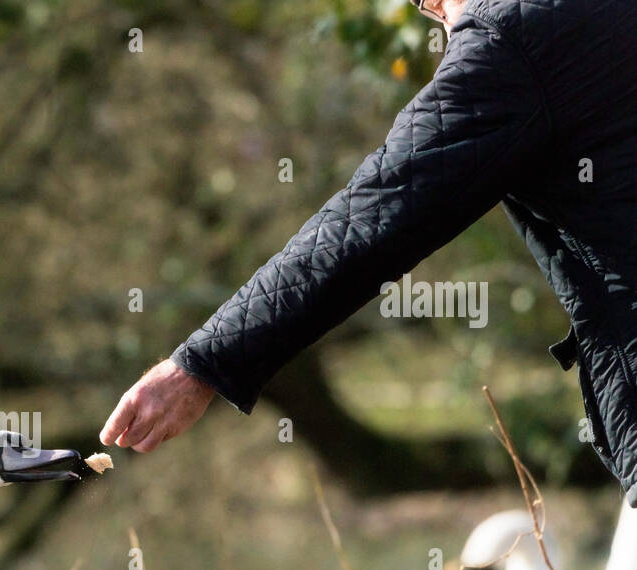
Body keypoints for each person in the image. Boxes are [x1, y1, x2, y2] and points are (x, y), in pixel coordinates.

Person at [100, 0, 637, 504]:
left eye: (434, 9)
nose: (445, 29)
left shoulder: (509, 42)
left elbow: (370, 220)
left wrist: (199, 366)